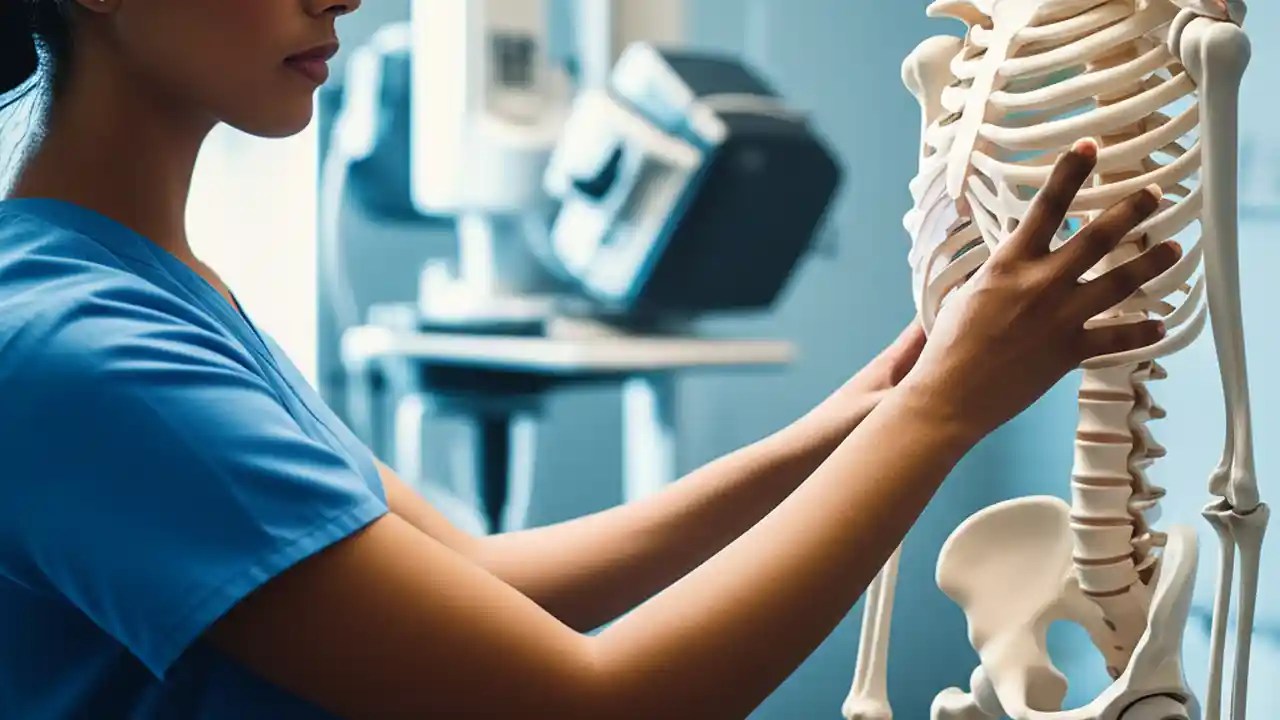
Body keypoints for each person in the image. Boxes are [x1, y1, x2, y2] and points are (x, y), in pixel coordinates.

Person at [0, 1, 1180, 718]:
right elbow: (592, 709)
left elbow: (483, 577)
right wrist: (941, 417)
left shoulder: (139, 283)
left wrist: (871, 406)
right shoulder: (84, 356)